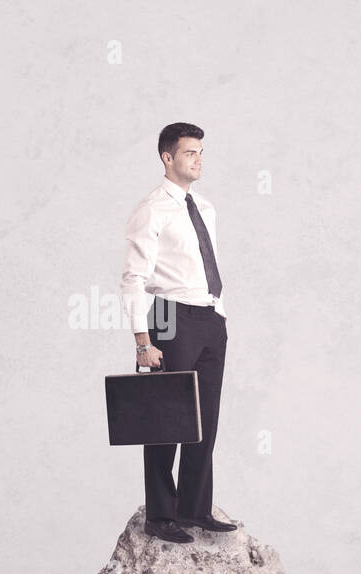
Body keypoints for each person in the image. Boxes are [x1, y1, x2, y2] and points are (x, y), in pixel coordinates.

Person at [121, 122, 237, 544]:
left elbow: (206, 267)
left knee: (205, 419)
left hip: (209, 318)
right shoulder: (151, 209)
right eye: (190, 152)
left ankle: (194, 507)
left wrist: (219, 316)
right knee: (167, 419)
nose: (199, 159)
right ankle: (161, 515)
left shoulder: (204, 208)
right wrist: (142, 340)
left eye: (202, 152)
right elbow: (133, 278)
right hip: (170, 316)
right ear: (167, 158)